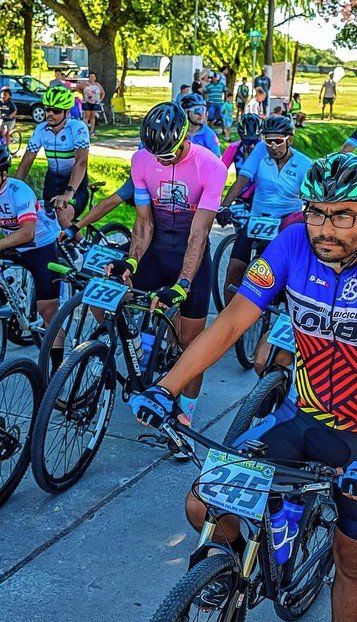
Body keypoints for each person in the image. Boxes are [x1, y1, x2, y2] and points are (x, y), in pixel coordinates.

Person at [130, 153, 357, 622]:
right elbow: (231, 323)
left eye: (342, 215)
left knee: (352, 558)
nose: (325, 229)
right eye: (316, 212)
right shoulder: (290, 244)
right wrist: (166, 387)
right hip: (299, 413)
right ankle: (240, 562)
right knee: (203, 502)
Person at [108, 102, 226, 428]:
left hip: (191, 256)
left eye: (169, 154)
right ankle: (140, 347)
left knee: (192, 346)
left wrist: (183, 283)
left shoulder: (211, 166)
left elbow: (199, 233)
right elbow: (143, 222)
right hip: (157, 250)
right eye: (156, 154)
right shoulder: (141, 160)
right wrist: (132, 260)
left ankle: (185, 416)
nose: (162, 160)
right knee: (109, 291)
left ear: (186, 137)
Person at [0, 143, 64, 369]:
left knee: (48, 310)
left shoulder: (20, 192)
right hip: (13, 243)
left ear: (4, 174)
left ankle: (57, 368)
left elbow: (28, 232)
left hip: (40, 245)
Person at [217, 114, 312, 308]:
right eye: (269, 141)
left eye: (278, 141)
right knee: (234, 268)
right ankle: (228, 317)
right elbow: (242, 180)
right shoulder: (261, 151)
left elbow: (311, 197)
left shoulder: (304, 163)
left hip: (287, 220)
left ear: (290, 139)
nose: (273, 147)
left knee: (286, 269)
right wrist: (225, 205)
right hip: (258, 218)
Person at [16, 87, 91, 233]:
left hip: (75, 186)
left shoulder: (77, 128)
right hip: (52, 184)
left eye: (56, 110)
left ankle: (82, 245)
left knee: (62, 217)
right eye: (47, 109)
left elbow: (81, 162)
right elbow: (26, 162)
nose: (50, 113)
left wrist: (69, 193)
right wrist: (15, 188)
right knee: (42, 222)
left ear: (67, 112)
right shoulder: (41, 129)